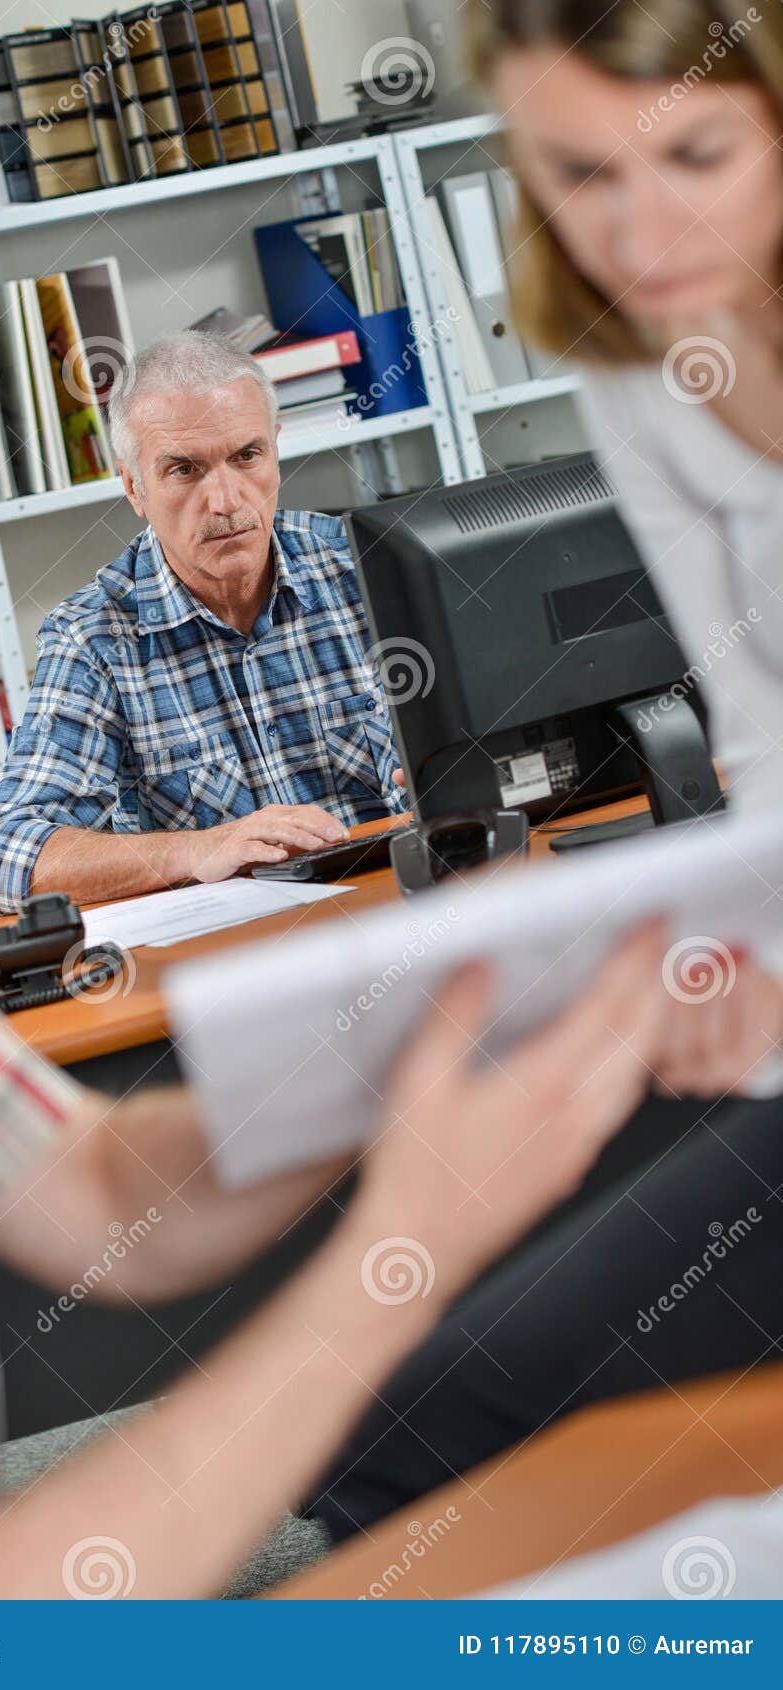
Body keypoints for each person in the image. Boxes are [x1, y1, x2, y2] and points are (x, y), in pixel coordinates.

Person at [0, 292, 667, 1598]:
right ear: (130, 484)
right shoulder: (95, 638)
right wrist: (410, 1239)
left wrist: (401, 1043)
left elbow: (98, 1183)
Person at [304, 0, 783, 1547]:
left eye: (693, 155)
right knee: (399, 1440)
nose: (635, 230)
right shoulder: (643, 363)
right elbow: (761, 724)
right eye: (576, 175)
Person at [0, 330, 408, 919]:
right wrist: (200, 849)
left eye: (247, 456)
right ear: (133, 487)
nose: (225, 499)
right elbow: (0, 860)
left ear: (275, 449)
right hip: (238, 967)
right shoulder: (94, 638)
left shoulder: (370, 567)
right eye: (184, 470)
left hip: (403, 922)